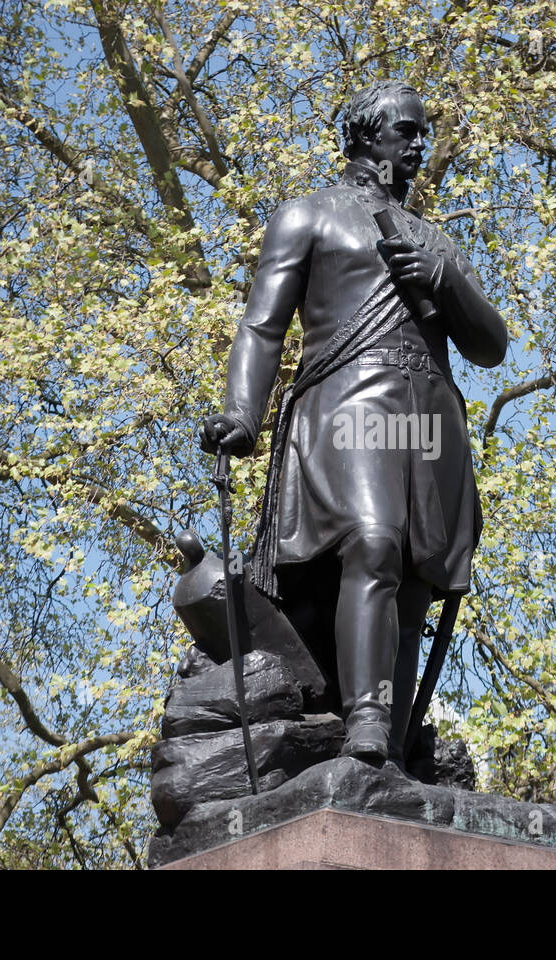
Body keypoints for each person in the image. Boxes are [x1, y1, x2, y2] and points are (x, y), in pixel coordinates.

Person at [200, 79, 506, 767]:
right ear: (366, 134)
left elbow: (490, 346)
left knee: (416, 572)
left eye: (424, 131)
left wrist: (445, 277)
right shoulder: (308, 216)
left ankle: (391, 746)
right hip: (350, 401)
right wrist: (243, 416)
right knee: (371, 541)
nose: (420, 142)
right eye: (407, 129)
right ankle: (364, 719)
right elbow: (260, 325)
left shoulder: (433, 240)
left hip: (429, 413)